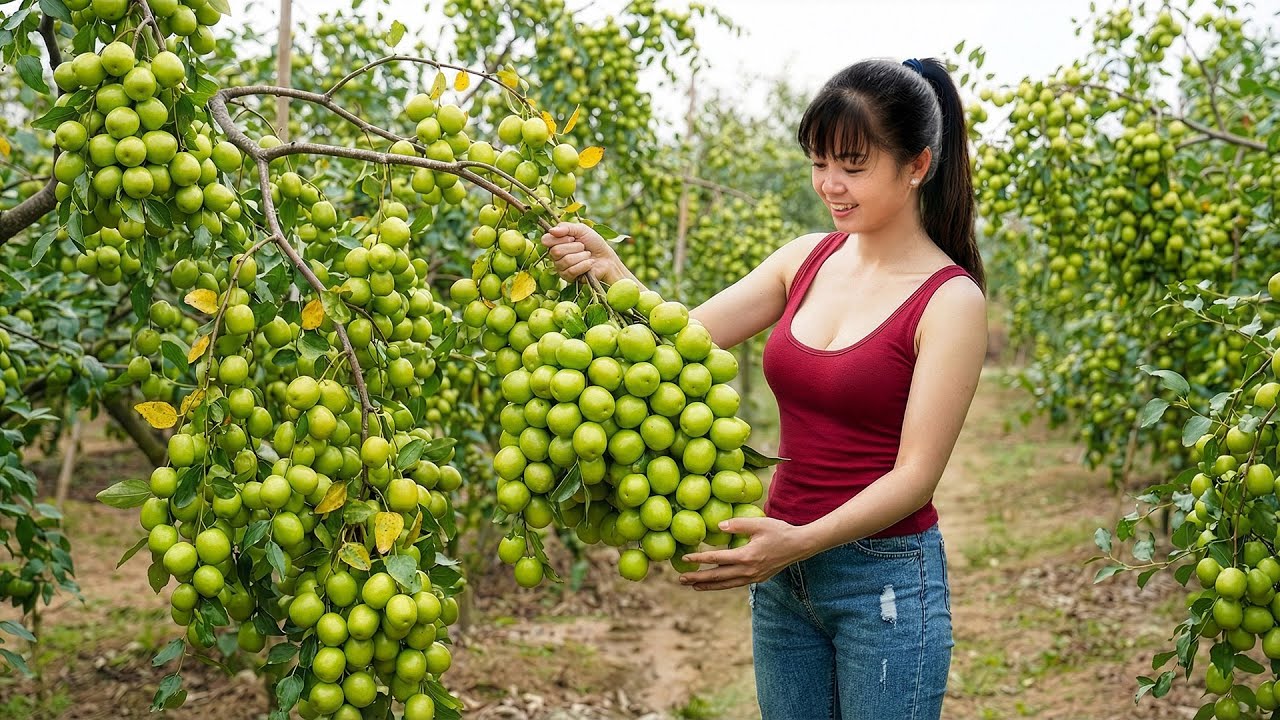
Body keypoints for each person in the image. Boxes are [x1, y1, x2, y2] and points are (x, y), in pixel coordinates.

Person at [540, 56, 987, 719]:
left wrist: (798, 540)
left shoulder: (950, 301)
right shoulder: (803, 260)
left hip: (883, 582)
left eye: (853, 167)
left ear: (917, 166)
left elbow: (915, 478)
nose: (830, 185)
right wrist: (613, 269)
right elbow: (677, 341)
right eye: (819, 163)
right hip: (784, 575)